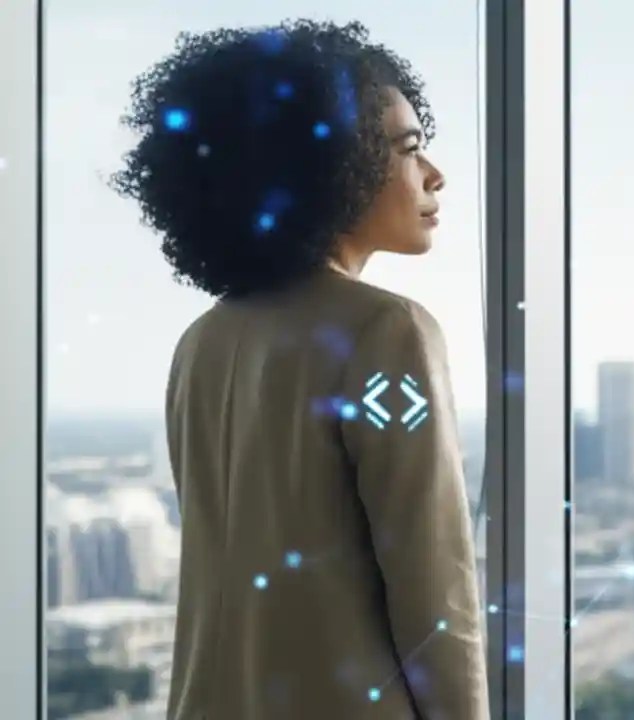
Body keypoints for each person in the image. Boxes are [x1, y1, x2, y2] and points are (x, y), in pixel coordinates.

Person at [110, 19, 489, 719]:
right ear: (331, 165)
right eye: (407, 150)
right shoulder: (386, 334)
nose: (435, 174)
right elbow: (434, 583)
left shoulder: (203, 341)